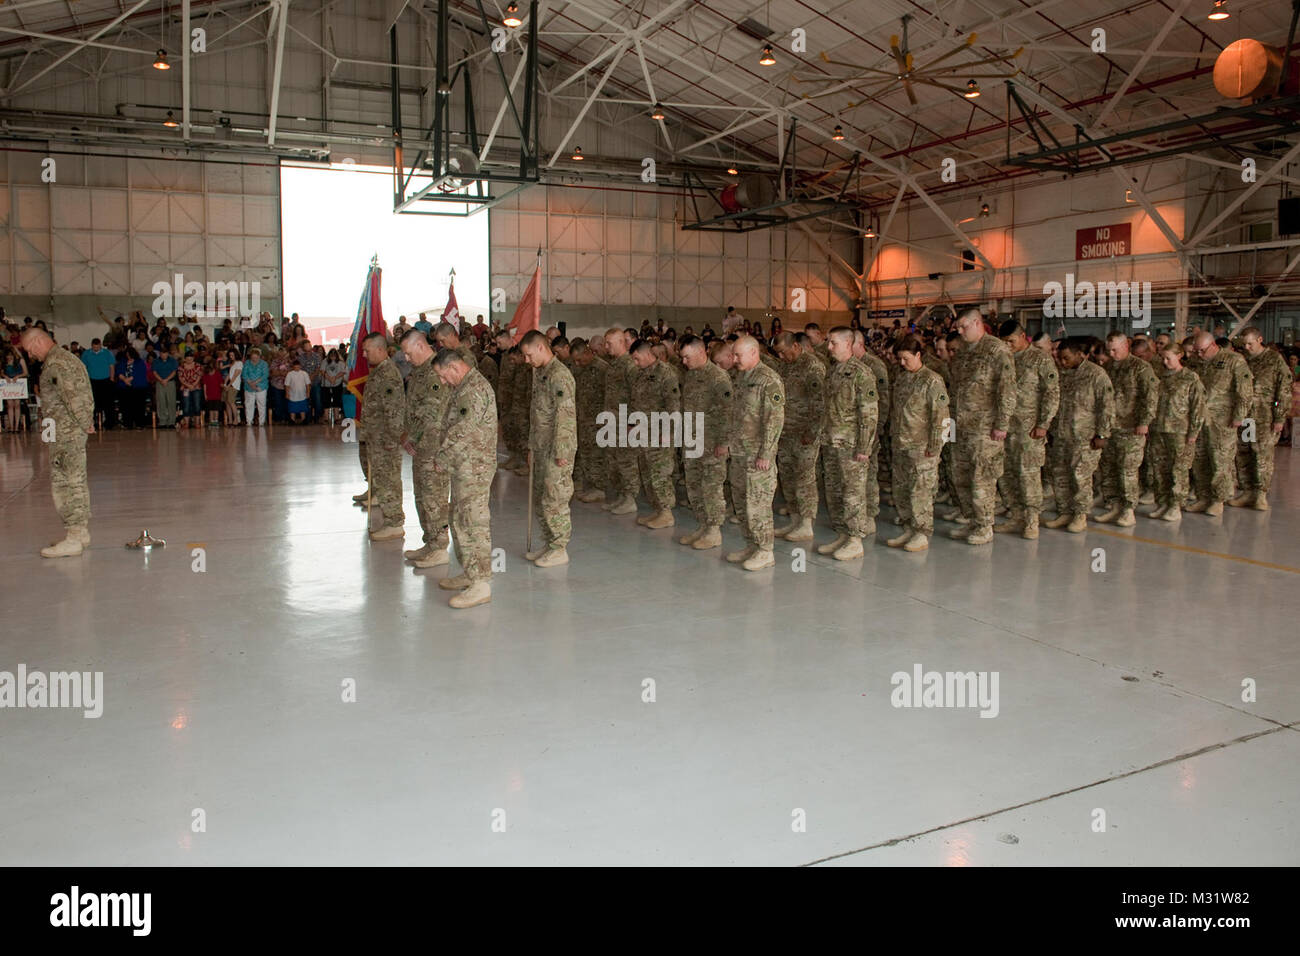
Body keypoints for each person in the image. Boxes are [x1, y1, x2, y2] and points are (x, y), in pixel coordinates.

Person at [19, 328, 95, 556]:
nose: (31, 355)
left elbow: (74, 396)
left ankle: (74, 535)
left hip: (66, 432)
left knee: (67, 483)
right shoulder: (63, 359)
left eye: (30, 350)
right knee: (74, 479)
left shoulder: (57, 363)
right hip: (62, 429)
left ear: (38, 341)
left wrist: (84, 421)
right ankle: (79, 533)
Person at [431, 349, 497, 609]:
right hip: (464, 465)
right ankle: (471, 572)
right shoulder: (463, 387)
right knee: (459, 518)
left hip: (474, 467)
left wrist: (442, 458)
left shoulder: (473, 390)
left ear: (455, 368)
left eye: (443, 376)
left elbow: (462, 430)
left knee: (473, 521)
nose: (443, 382)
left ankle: (481, 583)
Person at [947, 308, 1015, 545]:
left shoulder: (997, 350)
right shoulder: (963, 352)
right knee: (961, 476)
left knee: (982, 478)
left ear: (977, 323)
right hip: (961, 426)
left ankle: (985, 526)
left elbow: (1007, 389)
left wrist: (1002, 424)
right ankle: (973, 521)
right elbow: (953, 391)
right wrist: (949, 426)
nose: (959, 331)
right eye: (958, 327)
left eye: (963, 326)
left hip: (985, 429)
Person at [725, 334, 785, 570]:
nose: (735, 359)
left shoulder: (768, 380)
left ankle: (765, 550)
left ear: (753, 353)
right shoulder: (742, 378)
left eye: (738, 355)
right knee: (741, 502)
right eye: (733, 354)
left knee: (757, 505)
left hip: (757, 455)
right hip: (740, 452)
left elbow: (775, 420)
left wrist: (766, 454)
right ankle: (751, 544)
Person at [995, 321, 1059, 540]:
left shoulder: (1040, 359)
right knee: (1006, 474)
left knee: (1028, 474)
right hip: (1004, 428)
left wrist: (1044, 423)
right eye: (1004, 342)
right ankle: (1015, 515)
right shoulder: (1004, 359)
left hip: (1029, 429)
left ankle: (1031, 520)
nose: (1008, 346)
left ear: (1023, 336)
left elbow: (1052, 393)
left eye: (1011, 341)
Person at [817, 327, 877, 560]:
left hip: (851, 444)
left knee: (853, 492)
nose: (829, 347)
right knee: (835, 490)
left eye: (833, 343)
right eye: (829, 342)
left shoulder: (862, 374)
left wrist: (864, 447)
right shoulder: (834, 371)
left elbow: (869, 414)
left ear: (848, 343)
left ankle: (855, 539)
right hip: (832, 441)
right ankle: (842, 533)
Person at [1044, 338, 1115, 533]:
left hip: (1085, 438)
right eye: (1059, 358)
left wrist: (1102, 433)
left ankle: (1080, 515)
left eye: (1066, 358)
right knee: (1059, 475)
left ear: (1079, 354)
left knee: (1080, 477)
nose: (1062, 362)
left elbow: (1107, 406)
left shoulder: (1096, 375)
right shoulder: (1062, 374)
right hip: (1061, 435)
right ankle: (1065, 511)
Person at [520, 330, 577, 566]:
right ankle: (549, 542)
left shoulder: (559, 376)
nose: (526, 360)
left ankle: (559, 548)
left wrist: (562, 452)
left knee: (555, 498)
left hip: (557, 449)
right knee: (543, 497)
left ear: (541, 348)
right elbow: (538, 415)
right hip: (542, 446)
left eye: (528, 355)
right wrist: (532, 447)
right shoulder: (539, 373)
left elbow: (565, 416)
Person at [887, 336, 949, 551]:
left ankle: (921, 532)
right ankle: (908, 529)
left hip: (922, 448)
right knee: (902, 490)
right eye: (899, 359)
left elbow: (941, 417)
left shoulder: (932, 380)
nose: (902, 363)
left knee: (920, 491)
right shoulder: (902, 379)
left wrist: (935, 446)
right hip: (902, 445)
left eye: (906, 358)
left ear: (918, 355)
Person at [399, 329, 453, 569]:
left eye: (409, 353)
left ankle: (440, 546)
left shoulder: (434, 372)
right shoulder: (420, 371)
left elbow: (433, 413)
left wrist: (414, 436)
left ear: (420, 345)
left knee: (435, 496)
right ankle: (430, 542)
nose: (407, 359)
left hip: (433, 446)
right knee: (422, 495)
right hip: (421, 446)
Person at [1096, 331, 1158, 527]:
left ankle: (1128, 510)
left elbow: (1150, 397)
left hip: (1131, 428)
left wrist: (1144, 421)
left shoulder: (1141, 368)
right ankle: (1114, 505)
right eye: (1109, 350)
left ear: (1126, 346)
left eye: (1115, 349)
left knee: (1127, 470)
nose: (1111, 354)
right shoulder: (1109, 368)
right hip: (1110, 428)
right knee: (1109, 469)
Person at [1187, 331, 1252, 516]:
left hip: (1223, 421)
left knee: (1220, 460)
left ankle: (1218, 500)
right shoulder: (1195, 362)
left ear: (1214, 345)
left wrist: (1239, 416)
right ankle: (1203, 497)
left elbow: (1245, 391)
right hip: (1199, 419)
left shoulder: (1234, 361)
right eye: (1196, 351)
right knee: (1199, 460)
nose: (1199, 355)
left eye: (1202, 351)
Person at [677, 334, 731, 550]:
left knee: (711, 487)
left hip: (711, 445)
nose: (683, 362)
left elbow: (728, 413)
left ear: (701, 353)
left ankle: (714, 530)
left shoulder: (718, 378)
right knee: (694, 486)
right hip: (692, 441)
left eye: (687, 357)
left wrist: (724, 442)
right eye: (682, 358)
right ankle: (702, 524)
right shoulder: (690, 376)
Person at [772, 331, 825, 543]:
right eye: (778, 354)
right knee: (787, 476)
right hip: (786, 433)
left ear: (795, 346)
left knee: (804, 478)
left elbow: (820, 403)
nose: (782, 357)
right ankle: (794, 519)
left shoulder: (813, 367)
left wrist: (812, 432)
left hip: (805, 434)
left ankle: (806, 523)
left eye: (784, 353)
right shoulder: (785, 366)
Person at [1232, 327, 1289, 510]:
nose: (1247, 347)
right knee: (1244, 454)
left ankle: (1260, 494)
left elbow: (1284, 390)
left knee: (1262, 455)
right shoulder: (1243, 360)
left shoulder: (1274, 360)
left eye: (1251, 343)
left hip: (1264, 417)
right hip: (1246, 418)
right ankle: (1247, 491)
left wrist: (1279, 417)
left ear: (1260, 339)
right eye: (1244, 344)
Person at [1148, 342, 1206, 522]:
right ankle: (1163, 502)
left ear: (1180, 355)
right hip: (1159, 429)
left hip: (1180, 431)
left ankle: (1176, 505)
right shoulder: (1160, 377)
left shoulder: (1190, 378)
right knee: (1159, 468)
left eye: (1168, 358)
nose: (1165, 362)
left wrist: (1194, 432)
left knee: (1178, 470)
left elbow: (1198, 407)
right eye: (1163, 358)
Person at [358, 333, 406, 540]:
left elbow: (394, 410)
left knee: (389, 480)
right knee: (382, 479)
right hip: (376, 437)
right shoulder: (379, 372)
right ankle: (391, 520)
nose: (364, 354)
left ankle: (395, 522)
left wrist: (391, 440)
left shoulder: (388, 374)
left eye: (367, 350)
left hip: (385, 439)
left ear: (380, 349)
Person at [629, 338, 681, 529]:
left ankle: (666, 513)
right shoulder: (640, 374)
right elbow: (635, 401)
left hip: (660, 434)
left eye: (636, 358)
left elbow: (674, 405)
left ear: (647, 354)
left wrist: (669, 432)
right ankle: (657, 510)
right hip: (643, 433)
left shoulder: (666, 373)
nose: (635, 363)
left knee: (660, 474)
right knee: (648, 473)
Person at [602, 328, 641, 515]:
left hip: (625, 423)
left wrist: (633, 423)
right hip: (612, 421)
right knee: (614, 461)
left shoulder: (629, 366)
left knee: (626, 461)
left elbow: (637, 395)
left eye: (609, 343)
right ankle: (622, 495)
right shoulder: (613, 364)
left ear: (621, 342)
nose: (606, 346)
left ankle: (631, 498)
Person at [571, 339, 609, 503]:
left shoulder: (602, 369)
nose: (577, 363)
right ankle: (590, 485)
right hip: (582, 419)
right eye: (575, 360)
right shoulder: (579, 369)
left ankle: (599, 488)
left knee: (597, 456)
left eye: (580, 359)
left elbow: (610, 395)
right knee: (585, 454)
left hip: (598, 421)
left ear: (587, 352)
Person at [80, 337, 116, 428]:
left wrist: (111, 378)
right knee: (93, 403)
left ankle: (110, 422)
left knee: (108, 403)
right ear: (92, 346)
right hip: (92, 381)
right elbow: (83, 367)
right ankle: (93, 422)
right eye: (94, 347)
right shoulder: (86, 354)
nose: (96, 349)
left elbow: (111, 366)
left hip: (106, 380)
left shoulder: (107, 353)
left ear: (100, 345)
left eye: (97, 347)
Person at [2, 346, 28, 432]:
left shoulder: (20, 360)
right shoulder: (4, 362)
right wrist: (5, 376)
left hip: (18, 385)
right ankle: (11, 426)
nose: (9, 357)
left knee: (17, 405)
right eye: (7, 355)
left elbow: (26, 373)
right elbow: (1, 372)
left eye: (11, 355)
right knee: (10, 405)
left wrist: (18, 376)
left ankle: (16, 427)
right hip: (8, 385)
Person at [152, 345, 179, 428]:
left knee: (171, 401)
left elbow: (174, 372)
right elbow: (154, 372)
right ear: (160, 354)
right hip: (160, 382)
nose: (164, 355)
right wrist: (161, 380)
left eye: (165, 353)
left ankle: (171, 421)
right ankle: (162, 421)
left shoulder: (173, 361)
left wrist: (166, 380)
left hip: (170, 382)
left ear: (168, 353)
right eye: (162, 353)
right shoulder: (156, 361)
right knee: (161, 401)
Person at [242, 348, 269, 425]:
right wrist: (250, 383)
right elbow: (244, 374)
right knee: (249, 404)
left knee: (261, 404)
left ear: (259, 356)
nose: (254, 359)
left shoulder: (264, 364)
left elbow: (265, 375)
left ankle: (261, 422)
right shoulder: (247, 363)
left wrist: (256, 383)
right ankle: (249, 421)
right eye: (253, 358)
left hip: (261, 386)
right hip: (248, 386)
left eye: (256, 358)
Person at [320, 349, 346, 426]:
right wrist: (329, 378)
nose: (333, 357)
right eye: (331, 356)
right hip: (326, 384)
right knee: (326, 400)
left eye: (334, 356)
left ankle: (337, 418)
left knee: (337, 400)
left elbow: (343, 372)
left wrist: (335, 378)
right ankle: (326, 418)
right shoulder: (325, 361)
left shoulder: (341, 362)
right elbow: (322, 371)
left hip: (337, 383)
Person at [177, 352, 203, 429]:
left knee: (197, 405)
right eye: (187, 359)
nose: (189, 361)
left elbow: (199, 376)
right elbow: (180, 378)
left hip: (196, 388)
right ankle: (186, 423)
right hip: (185, 388)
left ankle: (197, 423)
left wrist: (193, 385)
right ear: (185, 359)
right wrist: (188, 386)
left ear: (193, 358)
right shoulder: (181, 367)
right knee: (186, 405)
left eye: (191, 359)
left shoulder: (198, 366)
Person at [284, 360, 311, 424]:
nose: (297, 368)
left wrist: (308, 392)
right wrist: (287, 393)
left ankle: (303, 419)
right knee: (292, 408)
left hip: (303, 395)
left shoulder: (304, 373)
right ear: (293, 367)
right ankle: (292, 420)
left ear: (300, 366)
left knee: (303, 408)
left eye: (298, 367)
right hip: (292, 395)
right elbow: (287, 385)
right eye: (295, 367)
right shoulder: (289, 374)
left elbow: (308, 384)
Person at [202, 359, 224, 426]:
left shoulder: (218, 374)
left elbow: (221, 383)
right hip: (209, 394)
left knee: (216, 409)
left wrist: (225, 387)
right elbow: (204, 385)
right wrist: (205, 394)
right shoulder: (205, 375)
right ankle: (211, 421)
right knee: (210, 409)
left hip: (217, 394)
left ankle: (216, 421)